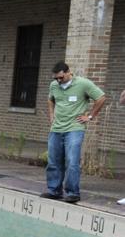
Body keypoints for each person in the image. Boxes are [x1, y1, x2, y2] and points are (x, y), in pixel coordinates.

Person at [45, 61, 105, 204]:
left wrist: (89, 116)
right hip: (56, 129)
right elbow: (50, 100)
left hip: (74, 129)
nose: (58, 81)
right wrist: (51, 116)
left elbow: (101, 98)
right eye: (56, 78)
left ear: (68, 72)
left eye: (61, 77)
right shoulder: (54, 85)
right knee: (53, 161)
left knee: (72, 161)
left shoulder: (83, 84)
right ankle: (54, 191)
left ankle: (72, 193)